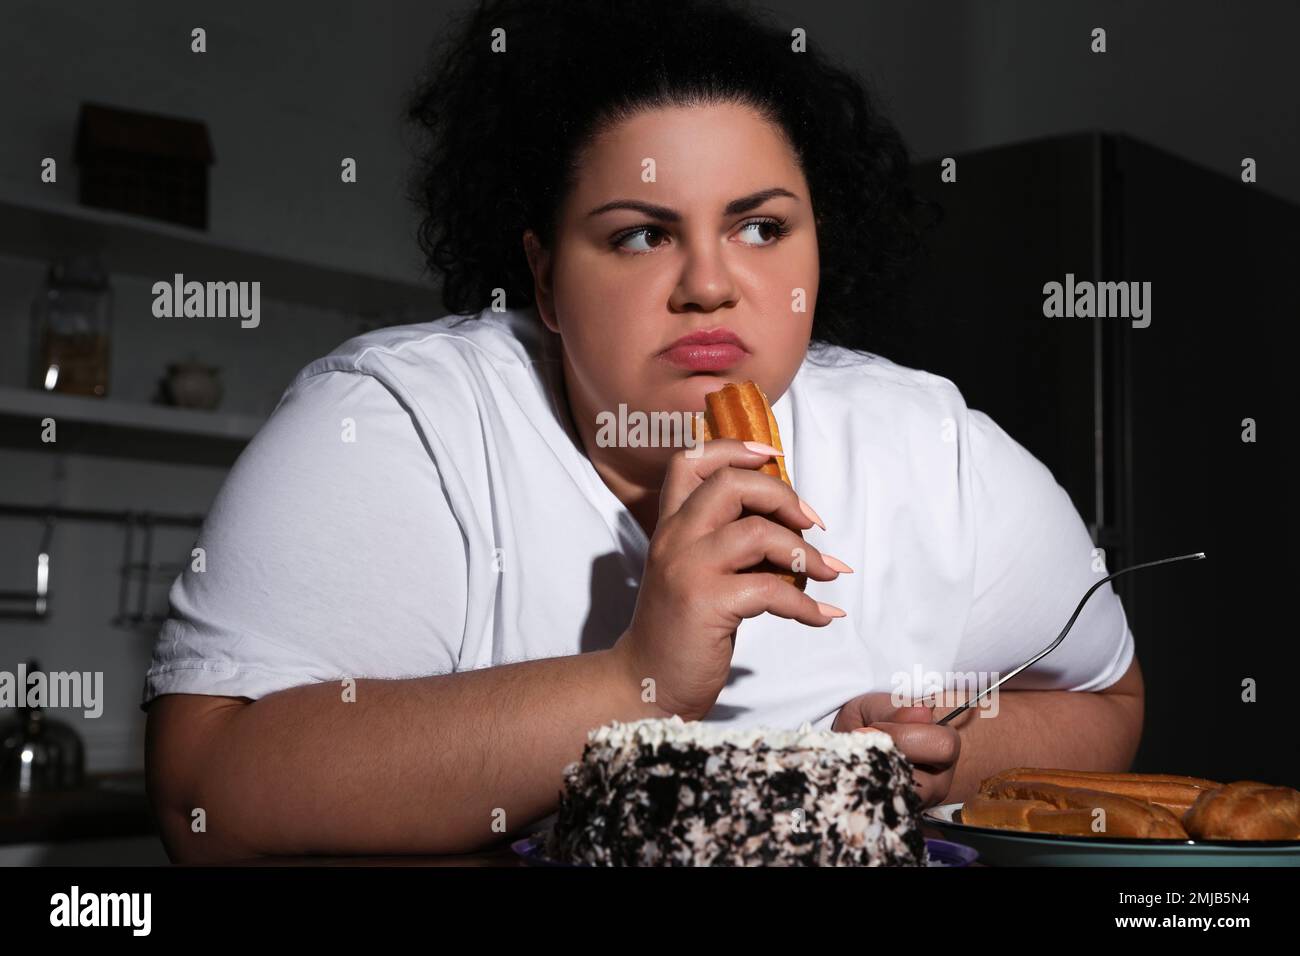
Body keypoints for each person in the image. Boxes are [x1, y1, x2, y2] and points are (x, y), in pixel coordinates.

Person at [144, 0, 1142, 863]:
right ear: (543, 278)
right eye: (640, 234)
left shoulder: (933, 447)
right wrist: (636, 679)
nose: (709, 284)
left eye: (760, 228)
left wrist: (939, 758)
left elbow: (1108, 699)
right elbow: (204, 795)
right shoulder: (402, 427)